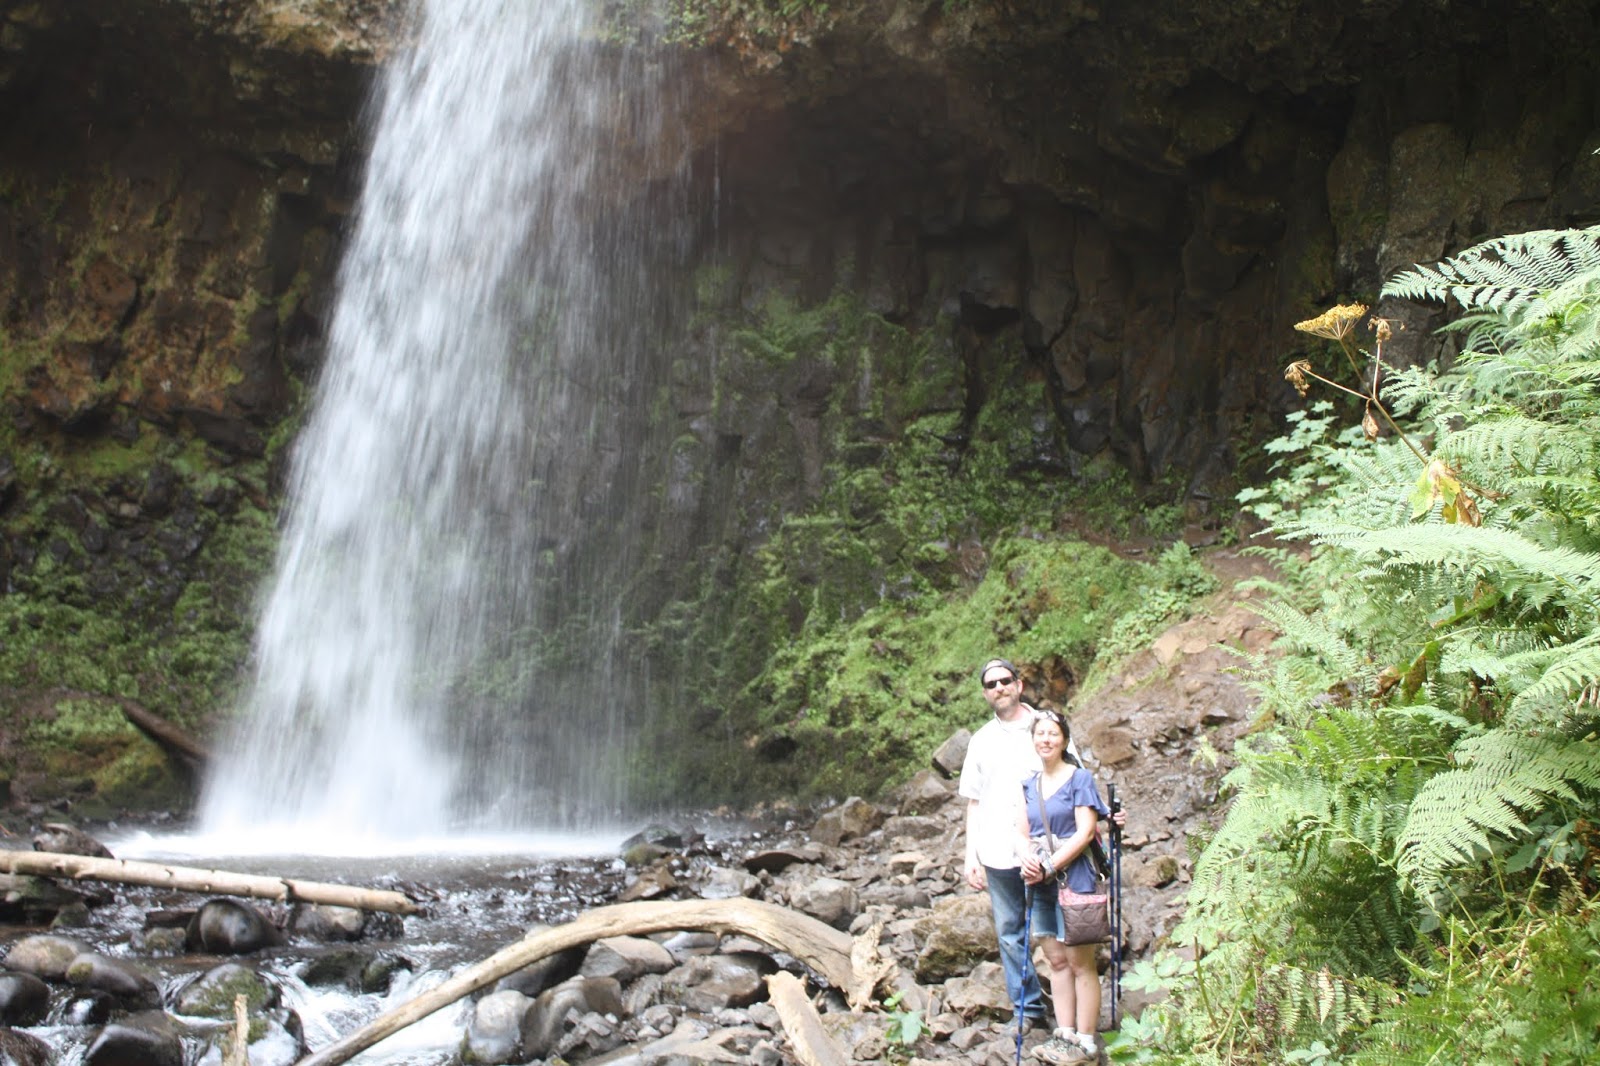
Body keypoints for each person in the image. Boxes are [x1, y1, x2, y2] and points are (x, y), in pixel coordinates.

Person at [959, 658, 1080, 1028]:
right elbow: (974, 802)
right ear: (985, 693)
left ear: (1019, 684)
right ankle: (1027, 1009)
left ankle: (1071, 1019)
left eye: (1005, 680)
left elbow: (1077, 778)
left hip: (1046, 850)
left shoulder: (1045, 727)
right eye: (991, 684)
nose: (999, 688)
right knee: (1010, 932)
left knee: (1054, 930)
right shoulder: (981, 741)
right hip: (996, 849)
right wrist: (970, 856)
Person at [1017, 709, 1111, 1065]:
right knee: (1055, 960)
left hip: (1076, 877)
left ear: (1064, 740)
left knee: (1079, 960)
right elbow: (1022, 832)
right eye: (1040, 733)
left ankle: (1086, 1041)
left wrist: (1051, 865)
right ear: (1033, 740)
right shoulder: (1029, 784)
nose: (1046, 739)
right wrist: (1027, 858)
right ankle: (1065, 1032)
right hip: (1040, 881)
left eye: (1053, 734)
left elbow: (1085, 831)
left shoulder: (1079, 779)